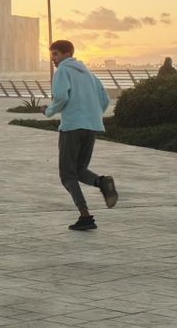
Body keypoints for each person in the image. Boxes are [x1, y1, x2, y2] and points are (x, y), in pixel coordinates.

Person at [44, 40, 118, 231]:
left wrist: (48, 111)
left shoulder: (63, 71)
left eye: (55, 54)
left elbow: (61, 96)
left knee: (67, 175)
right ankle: (102, 182)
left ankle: (85, 216)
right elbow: (105, 99)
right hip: (91, 127)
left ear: (67, 53)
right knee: (79, 169)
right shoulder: (88, 72)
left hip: (72, 128)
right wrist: (92, 116)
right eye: (52, 55)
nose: (53, 59)